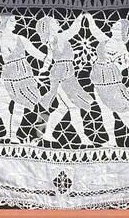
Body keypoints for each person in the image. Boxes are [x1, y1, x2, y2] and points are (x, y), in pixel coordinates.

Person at [85, 14, 129, 148]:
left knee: (122, 112)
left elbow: (123, 65)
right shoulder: (105, 40)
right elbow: (94, 31)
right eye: (113, 26)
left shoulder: (121, 46)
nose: (112, 27)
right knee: (105, 112)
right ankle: (112, 140)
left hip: (111, 85)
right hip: (99, 83)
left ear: (122, 32)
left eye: (116, 27)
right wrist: (89, 18)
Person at [0, 14, 47, 141]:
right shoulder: (0, 42)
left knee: (19, 104)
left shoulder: (20, 38)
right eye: (12, 21)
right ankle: (9, 132)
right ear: (4, 24)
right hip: (7, 74)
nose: (15, 23)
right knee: (0, 104)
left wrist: (49, 59)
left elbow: (35, 53)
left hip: (22, 74)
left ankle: (13, 135)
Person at [35, 14, 93, 145]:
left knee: (62, 108)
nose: (58, 23)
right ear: (50, 27)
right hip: (62, 75)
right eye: (54, 22)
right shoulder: (59, 37)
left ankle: (48, 134)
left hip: (65, 74)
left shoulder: (51, 40)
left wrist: (44, 69)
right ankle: (83, 137)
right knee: (74, 106)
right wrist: (80, 17)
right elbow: (73, 30)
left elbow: (49, 58)